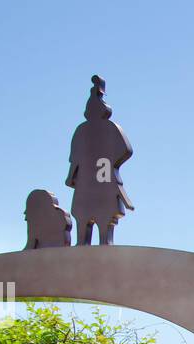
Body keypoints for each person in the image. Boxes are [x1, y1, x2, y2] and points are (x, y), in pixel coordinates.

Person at [66, 75, 134, 245]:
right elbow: (75, 159)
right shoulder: (82, 130)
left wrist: (106, 164)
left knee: (103, 221)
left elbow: (124, 150)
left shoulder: (98, 129)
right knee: (84, 219)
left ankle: (99, 245)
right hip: (88, 184)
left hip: (100, 183)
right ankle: (85, 245)